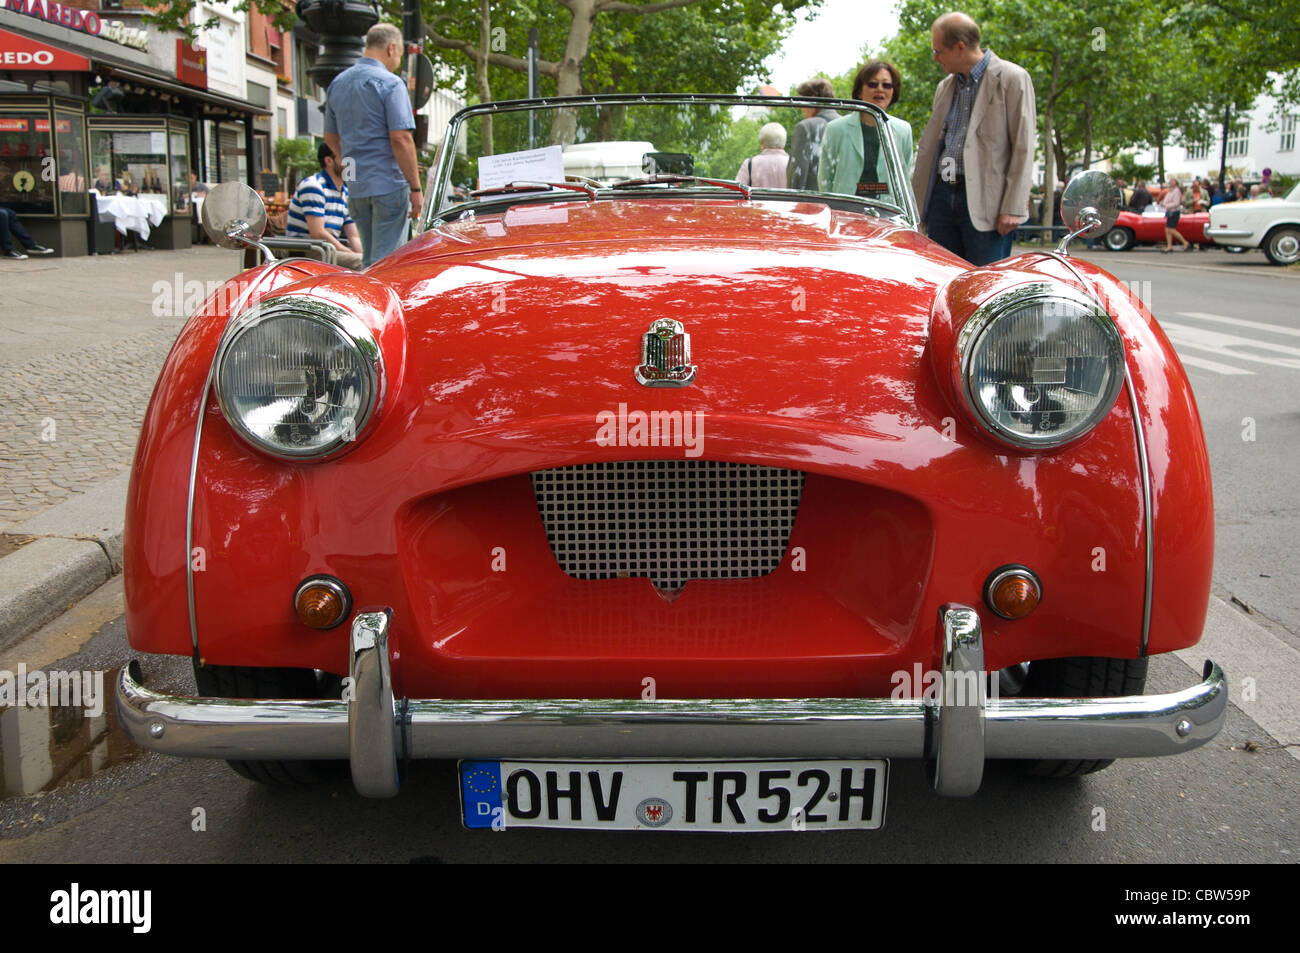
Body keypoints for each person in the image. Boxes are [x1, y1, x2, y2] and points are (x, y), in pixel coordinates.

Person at [912, 12, 1036, 265]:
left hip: (987, 203)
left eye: (938, 51)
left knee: (983, 284)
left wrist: (1012, 207)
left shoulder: (1013, 78)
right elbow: (934, 146)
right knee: (942, 278)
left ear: (959, 48)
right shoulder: (944, 86)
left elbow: (1023, 147)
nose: (935, 58)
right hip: (942, 198)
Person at [324, 22, 421, 267]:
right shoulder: (390, 83)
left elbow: (330, 138)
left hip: (357, 186)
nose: (397, 60)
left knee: (369, 259)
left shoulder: (338, 83)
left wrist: (349, 164)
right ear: (391, 48)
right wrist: (416, 188)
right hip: (388, 183)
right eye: (399, 54)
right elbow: (401, 139)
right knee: (385, 263)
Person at [817, 60, 914, 207]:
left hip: (887, 214)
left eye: (886, 85)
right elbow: (825, 177)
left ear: (893, 91)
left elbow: (904, 179)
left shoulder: (903, 130)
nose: (880, 89)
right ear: (859, 91)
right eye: (873, 84)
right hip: (845, 213)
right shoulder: (835, 129)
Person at [286, 143, 365, 269]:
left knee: (374, 263)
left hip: (327, 250)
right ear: (329, 161)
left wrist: (365, 255)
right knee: (362, 263)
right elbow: (318, 233)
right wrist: (352, 254)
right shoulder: (313, 186)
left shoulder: (344, 192)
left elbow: (354, 235)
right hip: (308, 252)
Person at [786, 78, 839, 190]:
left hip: (814, 203)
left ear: (813, 98)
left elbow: (796, 176)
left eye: (802, 101)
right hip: (846, 203)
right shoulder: (848, 126)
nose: (800, 107)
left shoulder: (806, 127)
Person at [735, 122, 790, 188]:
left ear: (762, 143)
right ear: (784, 142)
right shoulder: (793, 164)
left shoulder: (750, 164)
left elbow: (737, 191)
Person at [1161, 177, 1189, 252]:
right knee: (1167, 229)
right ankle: (1169, 246)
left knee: (1171, 229)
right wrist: (1163, 203)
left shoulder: (1176, 191)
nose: (1170, 182)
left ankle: (1185, 242)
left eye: (1172, 181)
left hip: (1174, 212)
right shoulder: (1170, 191)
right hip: (1169, 211)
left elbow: (1176, 203)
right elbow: (1166, 199)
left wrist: (1166, 205)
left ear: (1176, 183)